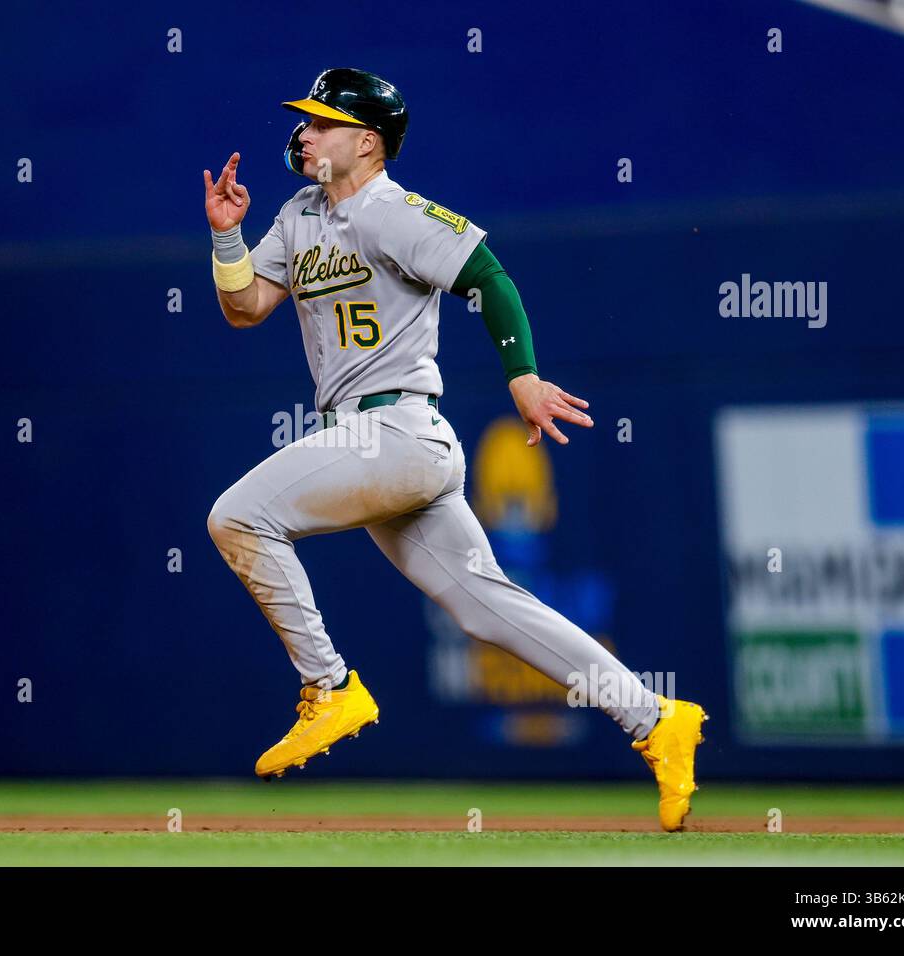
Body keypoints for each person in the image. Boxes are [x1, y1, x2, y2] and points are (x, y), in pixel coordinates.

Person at [203, 68, 707, 830]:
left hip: (394, 430)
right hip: (376, 443)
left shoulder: (390, 209)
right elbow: (245, 309)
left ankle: (331, 686)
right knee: (489, 609)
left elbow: (488, 277)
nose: (304, 132)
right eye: (304, 120)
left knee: (236, 518)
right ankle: (656, 716)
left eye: (321, 122)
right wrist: (226, 234)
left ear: (367, 144)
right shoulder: (300, 212)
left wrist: (524, 376)